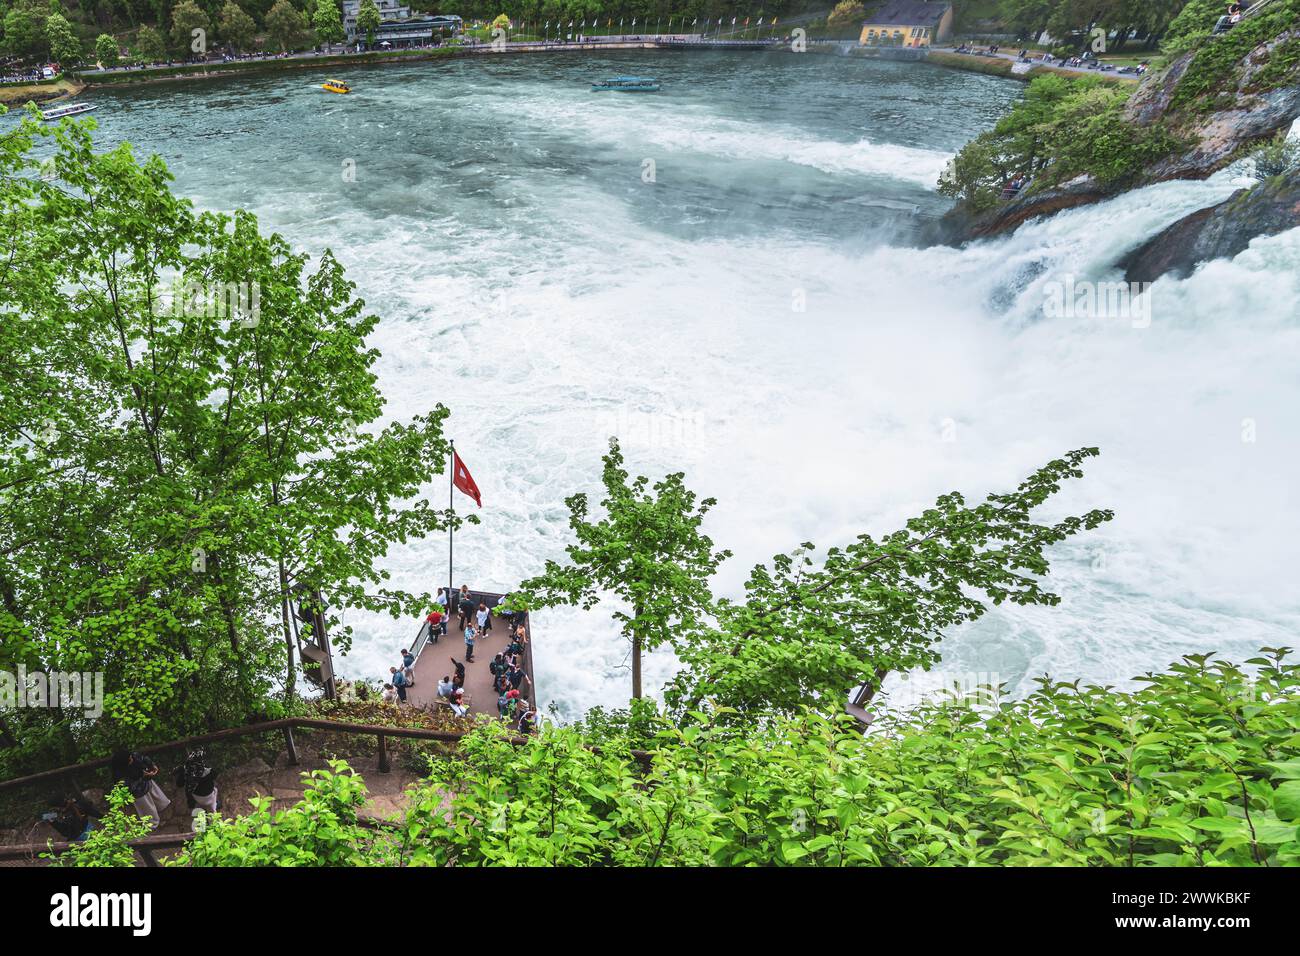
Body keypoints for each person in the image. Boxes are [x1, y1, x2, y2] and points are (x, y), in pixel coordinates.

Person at [112, 749, 171, 830]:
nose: (131, 759)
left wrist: (152, 766)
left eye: (131, 757)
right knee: (147, 810)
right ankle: (153, 826)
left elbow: (143, 758)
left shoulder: (133, 756)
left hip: (147, 783)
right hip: (138, 793)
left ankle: (162, 814)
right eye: (129, 760)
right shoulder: (120, 775)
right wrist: (143, 776)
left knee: (159, 800)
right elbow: (128, 787)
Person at [174, 747, 219, 815]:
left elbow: (179, 784)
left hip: (196, 796)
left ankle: (196, 807)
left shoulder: (185, 770)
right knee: (215, 792)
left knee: (190, 792)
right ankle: (213, 810)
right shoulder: (207, 770)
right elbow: (215, 775)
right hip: (209, 796)